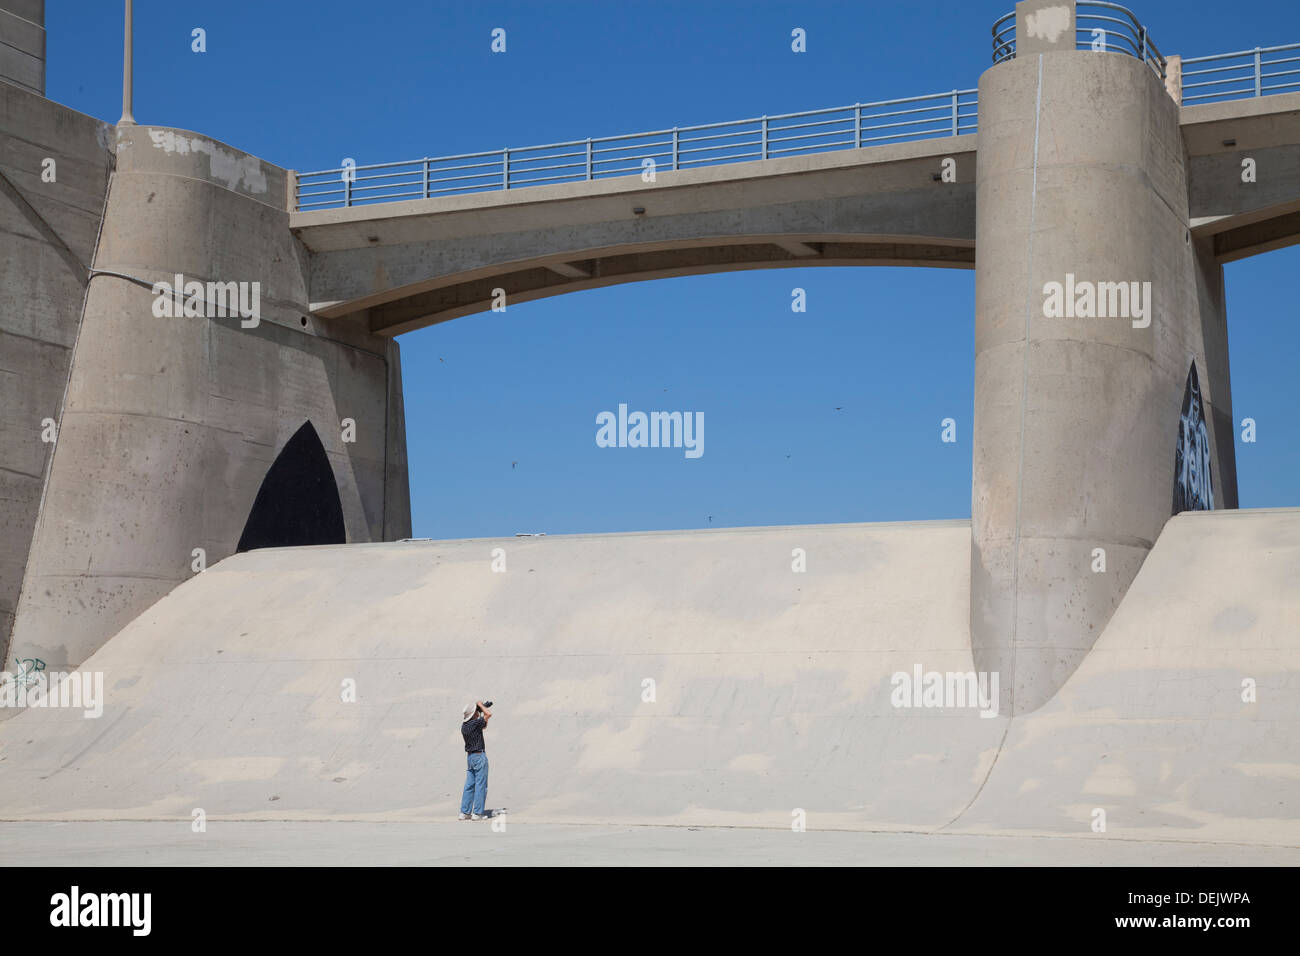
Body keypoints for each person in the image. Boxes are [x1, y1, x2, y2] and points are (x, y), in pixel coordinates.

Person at [458, 700, 491, 820]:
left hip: (470, 757)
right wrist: (481, 705)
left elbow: (484, 725)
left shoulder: (465, 726)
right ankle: (477, 813)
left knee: (469, 785)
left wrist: (479, 711)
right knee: (481, 785)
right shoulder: (474, 724)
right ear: (473, 714)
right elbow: (489, 714)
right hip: (479, 756)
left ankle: (465, 812)